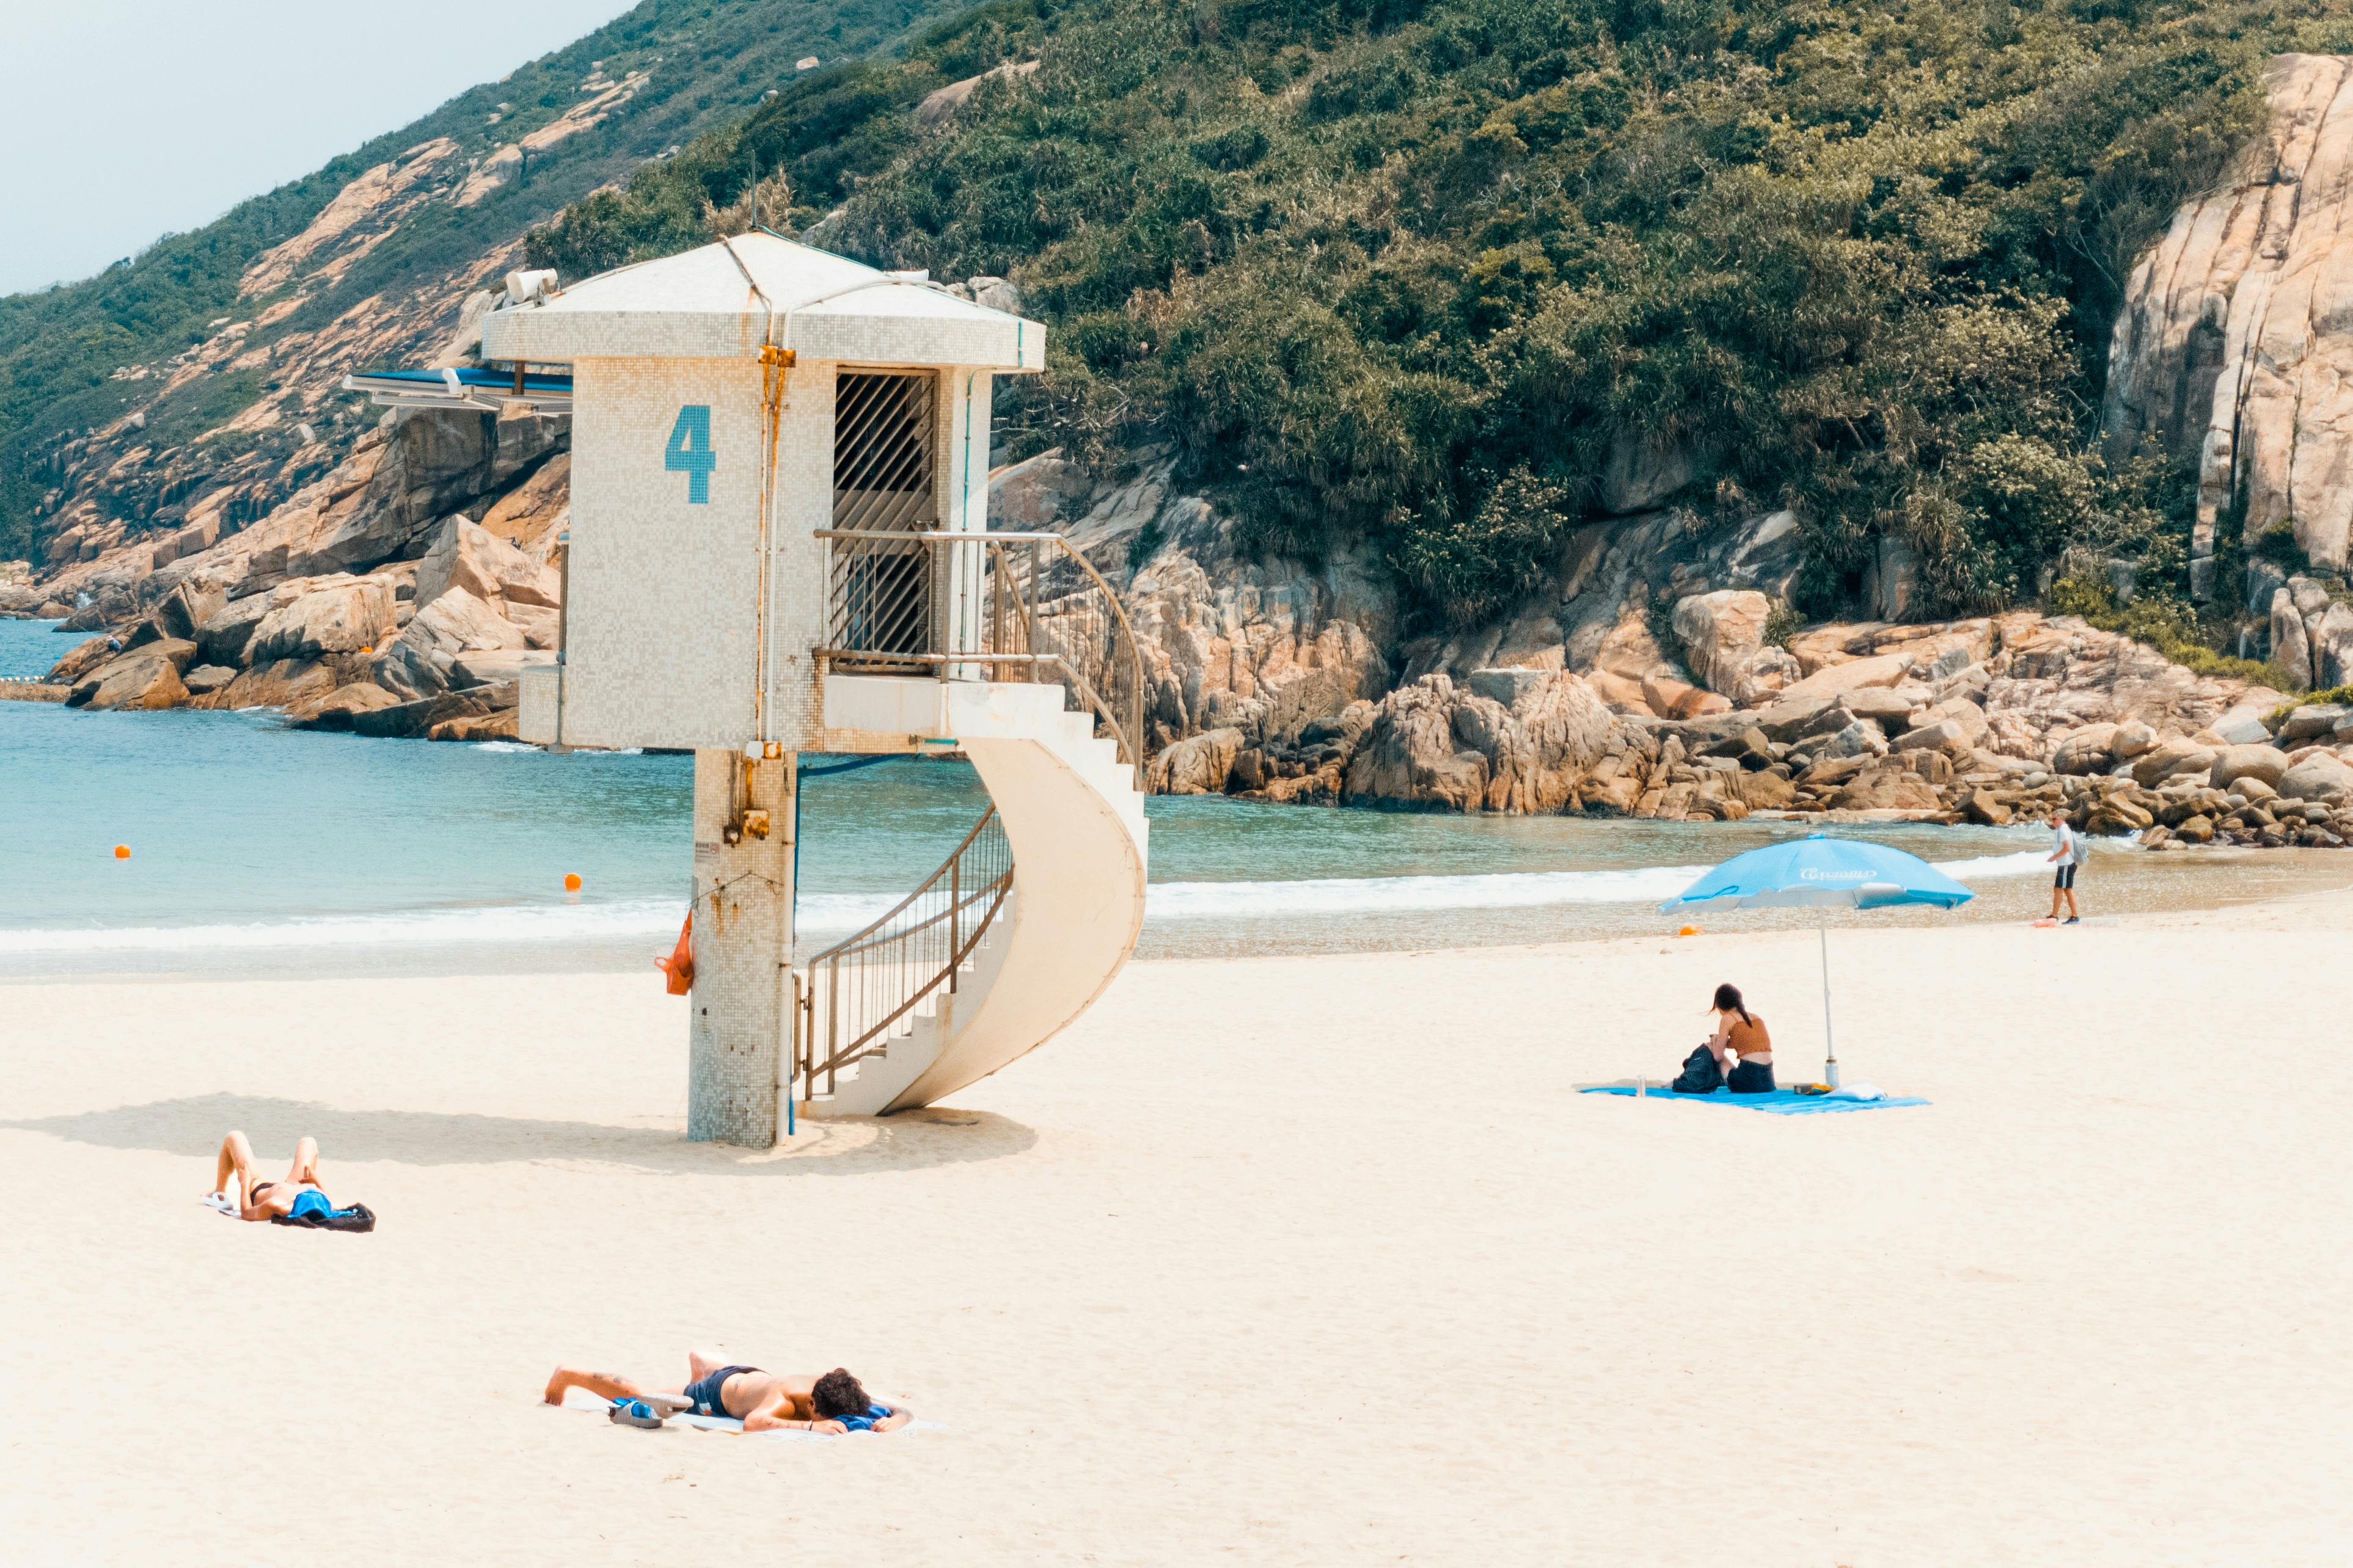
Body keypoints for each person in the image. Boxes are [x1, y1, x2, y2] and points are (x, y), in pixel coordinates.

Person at [542, 1354, 910, 1434]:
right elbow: (753, 1423)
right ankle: (569, 1374)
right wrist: (810, 1429)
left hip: (751, 1376)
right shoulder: (784, 1400)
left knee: (728, 1375)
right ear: (811, 1404)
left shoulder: (837, 1390)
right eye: (823, 1415)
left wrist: (897, 1422)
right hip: (717, 1394)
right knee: (645, 1393)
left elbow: (896, 1409)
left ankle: (705, 1361)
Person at [203, 1130, 372, 1228]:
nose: (315, 1192)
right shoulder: (328, 1205)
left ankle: (219, 1191)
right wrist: (315, 1178)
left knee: (234, 1137)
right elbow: (328, 1198)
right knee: (308, 1142)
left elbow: (247, 1214)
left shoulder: (278, 1206)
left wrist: (245, 1182)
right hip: (295, 1184)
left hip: (258, 1187)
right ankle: (220, 1189)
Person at [2046, 809, 2082, 924]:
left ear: (2061, 818)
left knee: (2062, 889)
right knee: (2065, 889)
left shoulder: (2063, 830)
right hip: (2067, 863)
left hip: (2067, 863)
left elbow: (2067, 848)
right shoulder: (2065, 830)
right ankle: (2059, 915)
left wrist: (2054, 857)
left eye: (2054, 819)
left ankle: (2063, 916)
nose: (2053, 822)